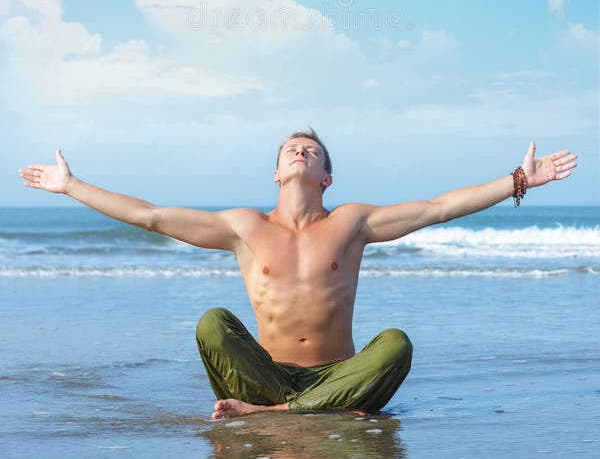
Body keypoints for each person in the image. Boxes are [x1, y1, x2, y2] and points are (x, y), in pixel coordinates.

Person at [19, 129, 577, 420]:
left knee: (395, 345)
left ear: (327, 177)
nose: (300, 152)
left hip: (341, 377)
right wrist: (71, 186)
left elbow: (436, 208)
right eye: (291, 149)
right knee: (213, 322)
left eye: (311, 151)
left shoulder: (353, 222)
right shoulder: (242, 226)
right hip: (266, 375)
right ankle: (280, 405)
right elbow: (153, 216)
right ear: (276, 170)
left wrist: (518, 180)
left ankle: (276, 415)